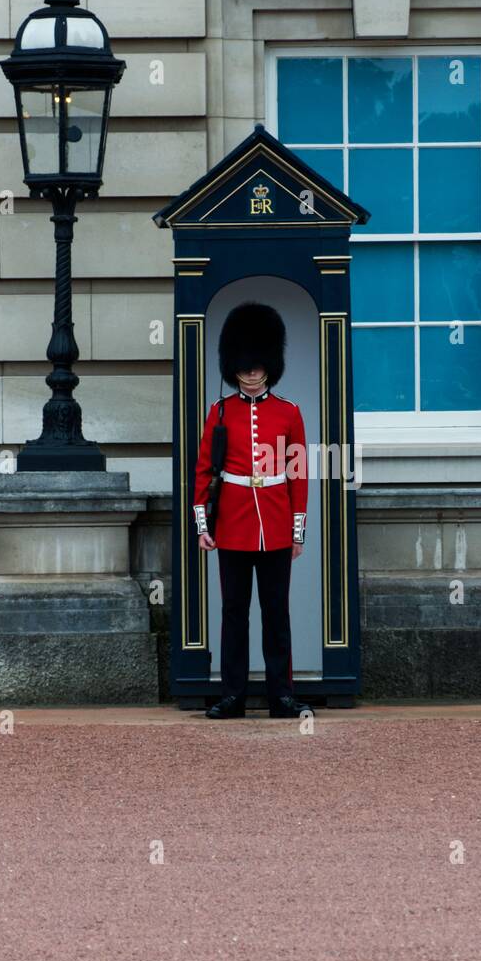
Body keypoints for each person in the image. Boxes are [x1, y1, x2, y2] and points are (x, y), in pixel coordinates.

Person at [192, 302, 312, 720]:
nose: (251, 371)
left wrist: (297, 532)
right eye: (244, 365)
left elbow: (298, 474)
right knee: (234, 614)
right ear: (234, 366)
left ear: (269, 364)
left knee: (276, 613)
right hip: (234, 527)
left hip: (276, 526)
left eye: (258, 364)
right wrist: (204, 526)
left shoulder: (289, 412)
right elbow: (204, 470)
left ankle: (281, 695)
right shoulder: (219, 412)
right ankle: (234, 696)